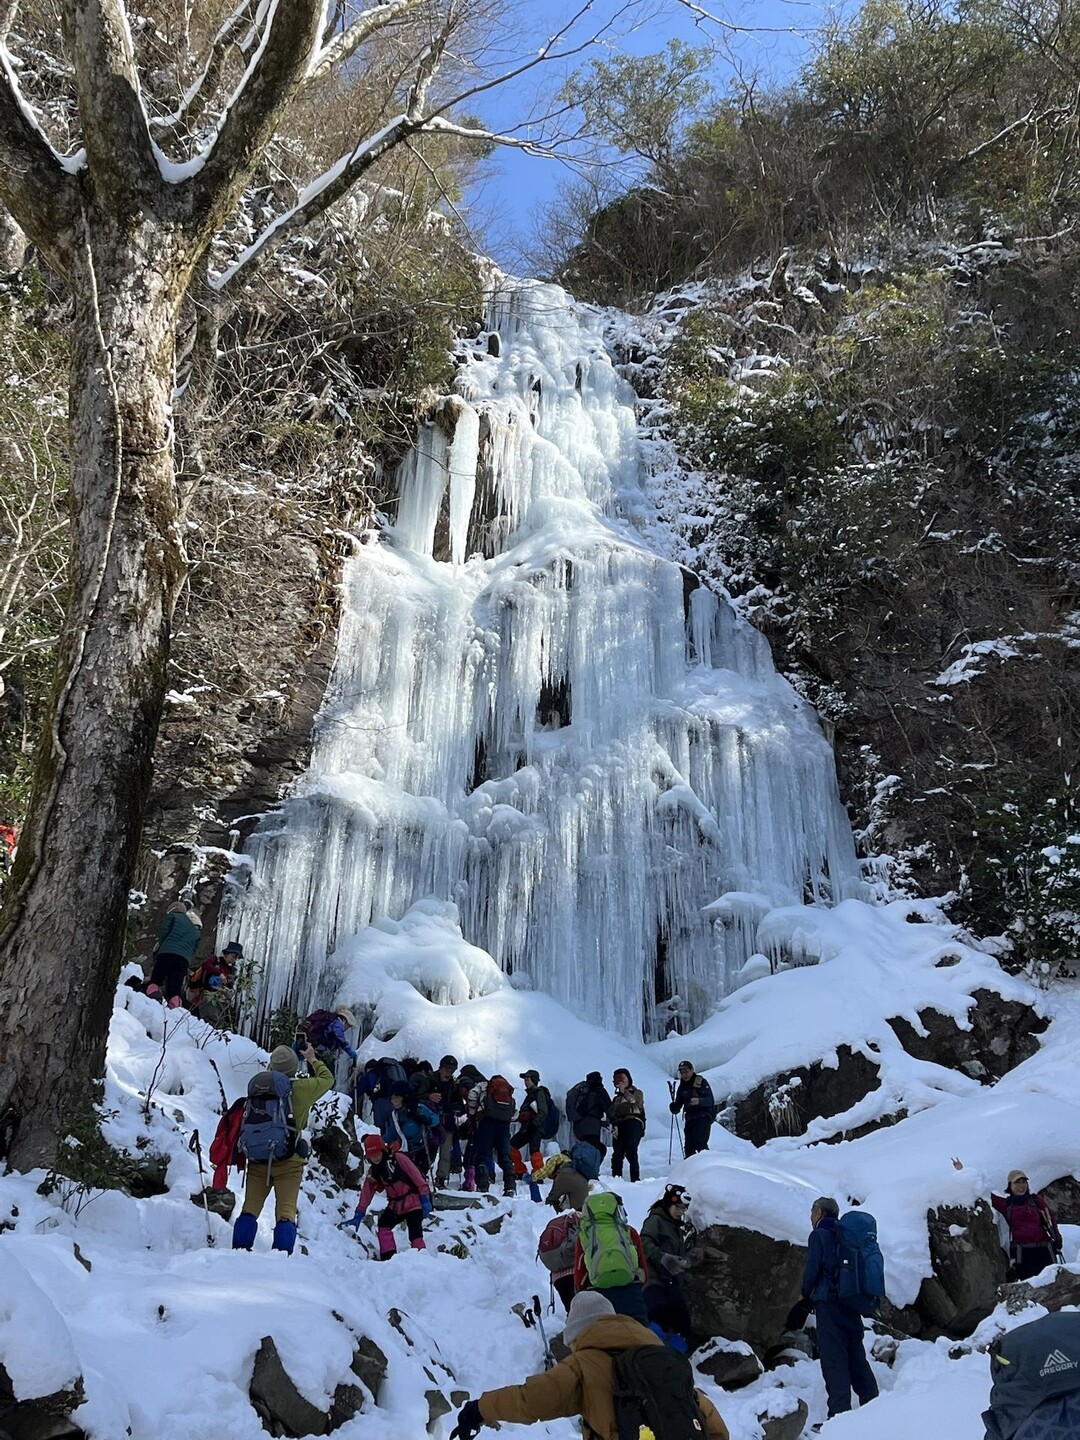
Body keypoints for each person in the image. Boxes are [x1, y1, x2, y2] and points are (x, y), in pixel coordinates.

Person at [448, 1291, 730, 1440]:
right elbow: (712, 1421)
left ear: (577, 1334)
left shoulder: (583, 1365)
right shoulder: (660, 1357)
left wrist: (480, 1409)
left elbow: (531, 1400)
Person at [231, 1043, 332, 1255]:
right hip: (290, 1161)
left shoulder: (257, 1087)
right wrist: (313, 1058)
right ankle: (281, 1257)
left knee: (250, 1209)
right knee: (286, 1210)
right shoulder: (302, 1089)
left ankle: (238, 1252)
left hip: (258, 1158)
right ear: (294, 1068)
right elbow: (327, 1079)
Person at [800, 1196, 878, 1419]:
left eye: (812, 1211)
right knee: (856, 1357)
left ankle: (838, 1416)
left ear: (819, 1213)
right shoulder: (848, 1237)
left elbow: (813, 1268)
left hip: (830, 1304)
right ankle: (873, 1406)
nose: (811, 1216)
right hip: (851, 1303)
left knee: (834, 1360)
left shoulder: (820, 1235)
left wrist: (806, 1292)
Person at [346, 1133, 431, 1259]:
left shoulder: (399, 1159)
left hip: (413, 1202)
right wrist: (359, 1213)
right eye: (371, 1155)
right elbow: (367, 1193)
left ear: (382, 1150)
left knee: (415, 1232)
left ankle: (422, 1259)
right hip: (395, 1205)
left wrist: (425, 1198)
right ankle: (389, 1259)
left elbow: (417, 1177)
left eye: (377, 1153)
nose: (375, 1158)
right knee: (383, 1225)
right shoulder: (374, 1171)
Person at [573, 1191, 650, 1323]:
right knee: (639, 1337)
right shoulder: (629, 1232)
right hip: (631, 1294)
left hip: (599, 1298)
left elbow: (580, 1277)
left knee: (607, 1338)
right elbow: (643, 1270)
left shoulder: (585, 1236)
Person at [641, 1183, 696, 1348]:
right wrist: (662, 1257)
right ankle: (651, 1351)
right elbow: (643, 1241)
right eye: (678, 1207)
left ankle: (675, 1357)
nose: (681, 1212)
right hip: (653, 1279)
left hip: (672, 1281)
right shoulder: (656, 1220)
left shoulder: (677, 1227)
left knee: (683, 1321)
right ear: (668, 1204)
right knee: (659, 1314)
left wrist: (689, 1258)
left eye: (684, 1209)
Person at [991, 1170, 1063, 1280]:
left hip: (1045, 1249)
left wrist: (1057, 1238)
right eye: (1017, 1182)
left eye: (1023, 1182)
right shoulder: (1006, 1205)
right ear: (1010, 1185)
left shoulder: (1036, 1200)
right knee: (1029, 1286)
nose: (1021, 1186)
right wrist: (962, 1172)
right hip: (1023, 1253)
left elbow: (1050, 1218)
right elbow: (985, 1193)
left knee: (1052, 1284)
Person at [468, 1072, 517, 1197]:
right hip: (504, 1126)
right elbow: (515, 1113)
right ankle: (510, 1187)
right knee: (505, 1156)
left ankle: (482, 1185)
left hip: (487, 1123)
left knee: (483, 1155)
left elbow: (471, 1095)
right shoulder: (508, 1088)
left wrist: (473, 1113)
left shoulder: (483, 1086)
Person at [147, 899, 202, 1006]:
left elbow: (164, 931)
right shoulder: (195, 930)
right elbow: (195, 947)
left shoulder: (173, 916)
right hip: (183, 959)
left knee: (158, 975)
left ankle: (153, 991)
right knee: (175, 980)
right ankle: (174, 1002)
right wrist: (186, 956)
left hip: (167, 951)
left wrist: (163, 945)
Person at [382, 1083, 441, 1173]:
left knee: (417, 1175)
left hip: (425, 1147)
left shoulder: (419, 1109)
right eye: (392, 1098)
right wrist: (378, 1140)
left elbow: (436, 1119)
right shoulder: (395, 1115)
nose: (394, 1101)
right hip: (408, 1150)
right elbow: (391, 1134)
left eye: (397, 1097)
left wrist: (427, 1120)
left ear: (404, 1097)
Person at [512, 1069, 549, 1197]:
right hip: (528, 1127)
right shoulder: (531, 1094)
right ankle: (520, 1170)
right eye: (525, 1080)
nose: (525, 1082)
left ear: (534, 1080)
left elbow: (543, 1111)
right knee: (512, 1146)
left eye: (528, 1080)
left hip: (534, 1127)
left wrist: (534, 1123)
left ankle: (538, 1174)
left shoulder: (539, 1093)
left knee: (534, 1150)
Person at [424, 1055, 459, 1187]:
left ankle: (441, 1178)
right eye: (447, 1069)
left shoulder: (454, 1085)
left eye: (452, 1070)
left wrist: (457, 1107)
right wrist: (428, 1096)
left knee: (445, 1152)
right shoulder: (428, 1080)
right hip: (431, 1121)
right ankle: (422, 1173)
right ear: (441, 1068)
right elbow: (417, 1097)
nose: (449, 1072)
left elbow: (459, 1103)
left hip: (446, 1121)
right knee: (429, 1150)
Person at [669, 1060, 716, 1158]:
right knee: (689, 1147)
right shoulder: (682, 1087)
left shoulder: (701, 1082)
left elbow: (710, 1101)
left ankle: (707, 1166)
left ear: (692, 1070)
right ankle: (692, 1169)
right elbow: (678, 1105)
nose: (684, 1074)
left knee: (700, 1143)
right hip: (690, 1118)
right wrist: (674, 1107)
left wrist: (699, 1101)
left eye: (686, 1071)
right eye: (682, 1072)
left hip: (703, 1116)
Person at [187, 940, 242, 1021]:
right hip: (207, 994)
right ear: (226, 953)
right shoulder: (215, 960)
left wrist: (229, 992)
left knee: (218, 1022)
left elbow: (229, 986)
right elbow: (205, 964)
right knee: (210, 1019)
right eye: (232, 956)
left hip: (220, 999)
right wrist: (219, 974)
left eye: (236, 958)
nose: (233, 959)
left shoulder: (231, 970)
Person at [609, 1069, 645, 1184]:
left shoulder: (637, 1092)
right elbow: (612, 1114)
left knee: (631, 1150)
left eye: (622, 1079)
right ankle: (616, 1179)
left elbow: (636, 1102)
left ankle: (635, 1180)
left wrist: (624, 1091)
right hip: (620, 1125)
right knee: (617, 1154)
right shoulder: (616, 1099)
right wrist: (614, 1126)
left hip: (634, 1122)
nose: (620, 1082)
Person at [567, 1071, 612, 1158]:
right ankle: (588, 1170)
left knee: (590, 1150)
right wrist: (616, 1121)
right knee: (597, 1150)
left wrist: (601, 1123)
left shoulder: (583, 1093)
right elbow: (609, 1107)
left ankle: (584, 1168)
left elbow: (587, 1112)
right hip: (591, 1130)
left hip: (578, 1128)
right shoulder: (599, 1091)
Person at [536, 1148, 593, 1213]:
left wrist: (532, 1177)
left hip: (565, 1175)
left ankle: (556, 1217)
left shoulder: (558, 1157)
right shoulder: (575, 1165)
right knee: (578, 1209)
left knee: (550, 1201)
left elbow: (545, 1171)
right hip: (583, 1187)